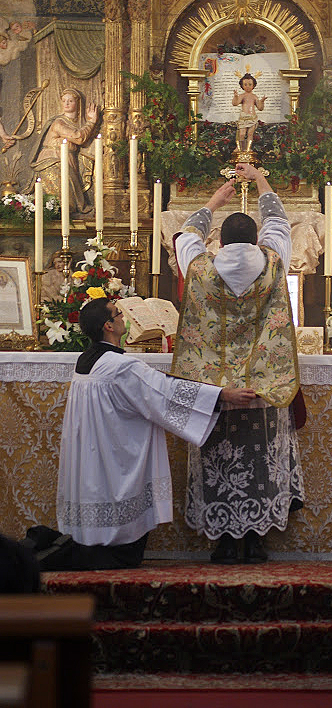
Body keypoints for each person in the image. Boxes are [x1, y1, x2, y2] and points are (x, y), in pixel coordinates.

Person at [29, 297, 256, 571]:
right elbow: (164, 390)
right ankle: (50, 553)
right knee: (122, 555)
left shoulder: (86, 360)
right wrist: (223, 395)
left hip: (96, 455)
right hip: (114, 458)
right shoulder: (118, 366)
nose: (124, 318)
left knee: (98, 541)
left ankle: (49, 544)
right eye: (118, 315)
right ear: (108, 326)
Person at [172, 162, 305, 564]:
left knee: (219, 454)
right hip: (266, 382)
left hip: (215, 388)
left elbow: (185, 235)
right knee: (261, 455)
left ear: (221, 240)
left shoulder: (199, 266)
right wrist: (262, 178)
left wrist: (217, 197)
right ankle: (258, 539)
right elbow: (279, 222)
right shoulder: (274, 261)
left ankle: (225, 541)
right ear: (256, 237)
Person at [30, 87, 99, 216]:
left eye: (70, 100)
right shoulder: (58, 122)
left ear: (77, 103)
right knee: (62, 202)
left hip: (65, 160)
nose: (66, 103)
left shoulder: (71, 123)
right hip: (52, 162)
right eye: (64, 101)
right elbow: (78, 137)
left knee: (68, 200)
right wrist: (91, 122)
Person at [232, 74, 266, 152]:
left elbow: (260, 108)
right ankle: (240, 148)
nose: (247, 86)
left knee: (250, 134)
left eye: (250, 84)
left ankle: (248, 148)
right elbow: (235, 103)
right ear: (242, 86)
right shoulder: (242, 96)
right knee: (242, 134)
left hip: (252, 118)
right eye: (245, 84)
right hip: (244, 117)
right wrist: (236, 96)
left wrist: (262, 101)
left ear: (253, 85)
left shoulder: (254, 96)